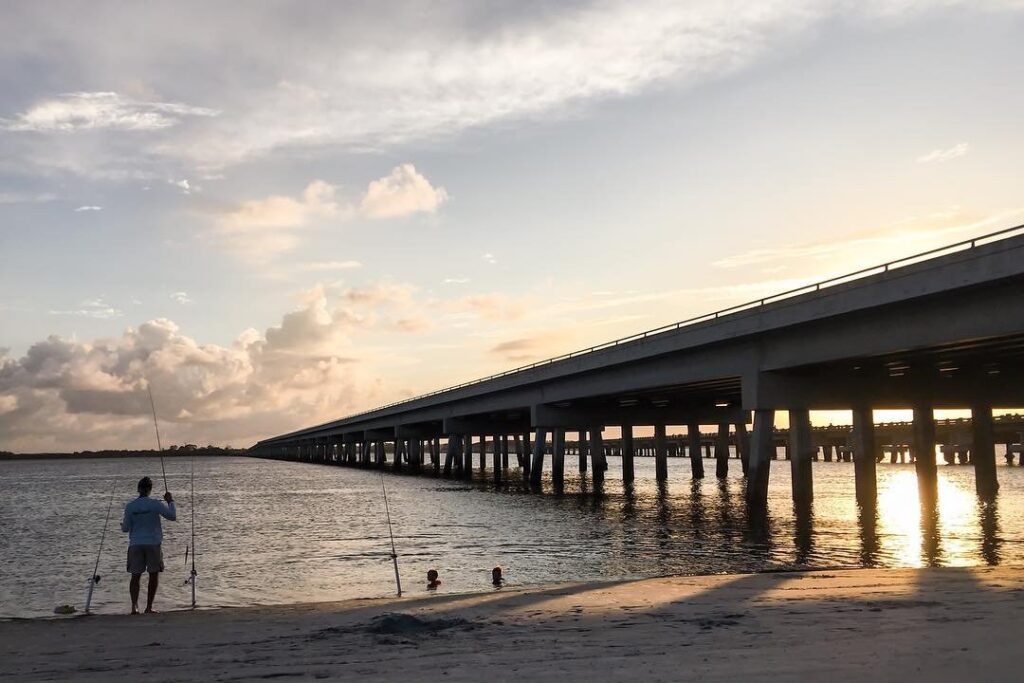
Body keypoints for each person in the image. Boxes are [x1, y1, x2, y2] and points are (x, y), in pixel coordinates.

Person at [121, 476, 176, 614]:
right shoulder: (155, 504)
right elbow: (172, 516)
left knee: (135, 575)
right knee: (153, 575)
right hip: (153, 543)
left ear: (138, 489)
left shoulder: (130, 506)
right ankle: (149, 607)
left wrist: (122, 525)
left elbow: (125, 528)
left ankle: (134, 607)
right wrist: (170, 501)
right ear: (150, 490)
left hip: (135, 544)